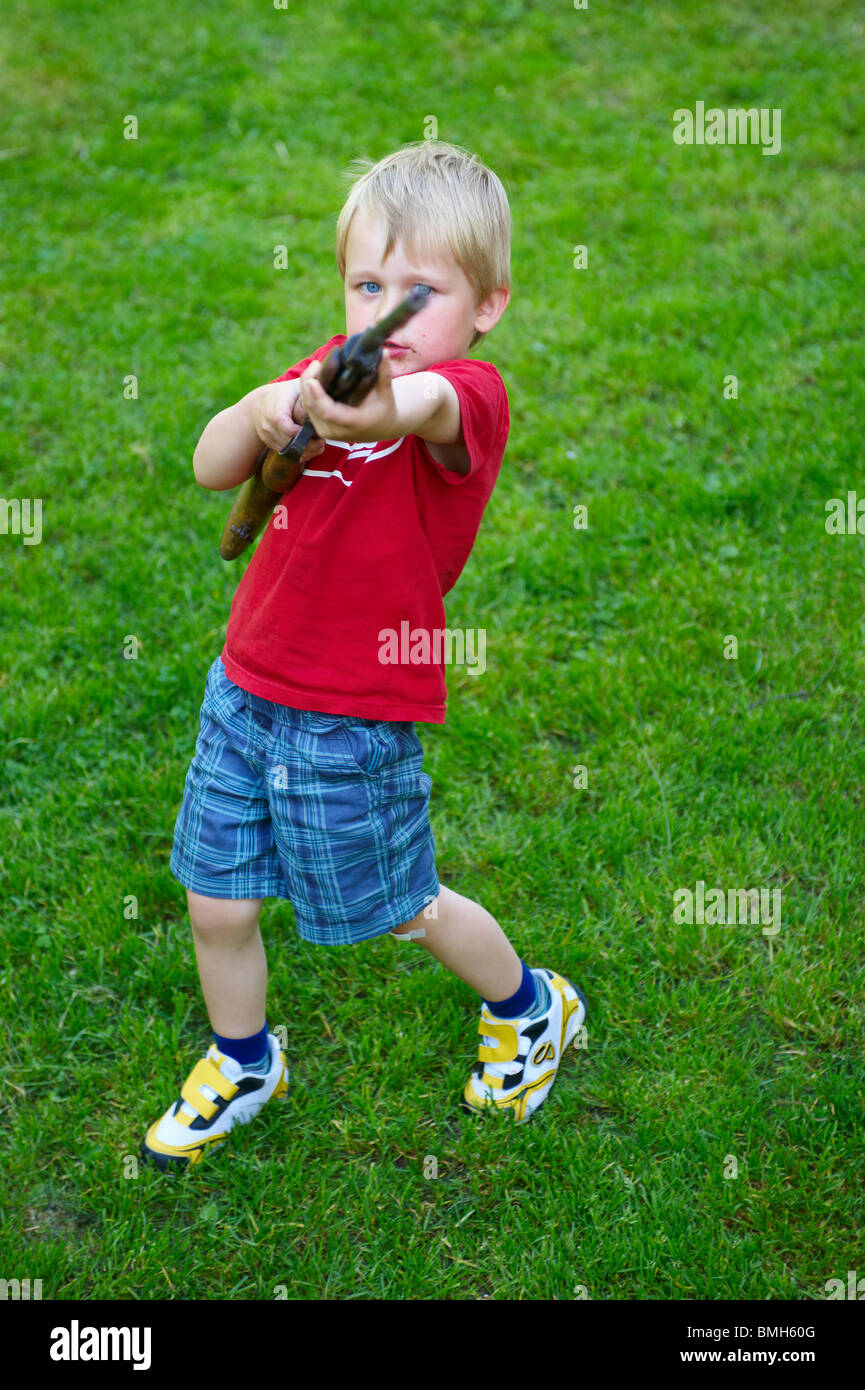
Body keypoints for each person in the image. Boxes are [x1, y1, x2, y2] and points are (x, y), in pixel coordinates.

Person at [141, 140, 587, 1171]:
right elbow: (215, 471)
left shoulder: (464, 395)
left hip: (352, 712)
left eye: (417, 291)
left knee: (401, 906)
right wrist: (264, 408)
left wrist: (357, 405)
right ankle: (244, 1057)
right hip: (245, 688)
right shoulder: (314, 376)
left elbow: (413, 407)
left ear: (488, 304)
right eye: (366, 285)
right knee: (216, 896)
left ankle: (529, 1006)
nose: (384, 309)